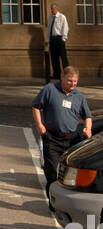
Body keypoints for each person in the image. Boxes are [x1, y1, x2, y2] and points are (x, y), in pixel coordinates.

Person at [31, 67, 92, 197]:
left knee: (70, 172)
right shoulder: (49, 90)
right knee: (52, 171)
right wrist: (40, 125)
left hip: (71, 139)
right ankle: (53, 202)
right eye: (70, 81)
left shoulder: (79, 96)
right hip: (52, 137)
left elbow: (88, 116)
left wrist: (88, 128)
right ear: (62, 77)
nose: (73, 84)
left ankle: (65, 199)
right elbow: (36, 107)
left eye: (75, 81)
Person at [46, 3, 69, 80]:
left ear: (56, 9)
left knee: (63, 58)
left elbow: (65, 28)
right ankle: (57, 74)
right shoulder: (50, 18)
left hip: (59, 39)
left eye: (53, 9)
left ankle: (66, 75)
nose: (52, 10)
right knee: (54, 58)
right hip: (52, 39)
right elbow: (49, 29)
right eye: (51, 9)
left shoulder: (62, 17)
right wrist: (48, 40)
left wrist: (63, 39)